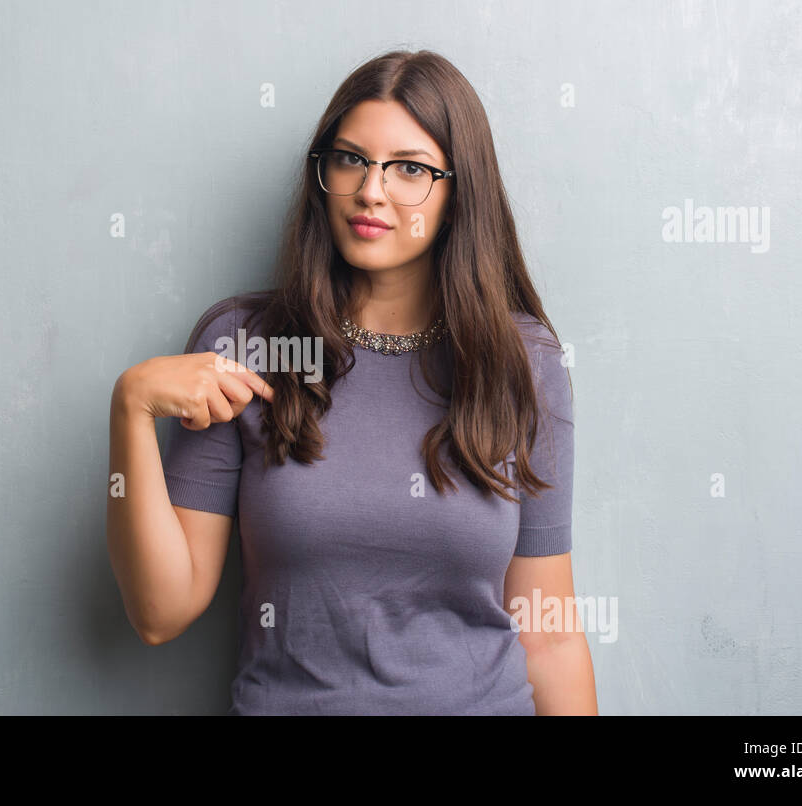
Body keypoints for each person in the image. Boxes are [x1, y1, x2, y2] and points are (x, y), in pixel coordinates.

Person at [107, 49, 596, 715]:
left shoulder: (521, 363)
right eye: (351, 159)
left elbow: (550, 636)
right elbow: (161, 613)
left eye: (410, 169)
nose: (372, 190)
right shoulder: (250, 348)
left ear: (458, 196)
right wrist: (131, 407)